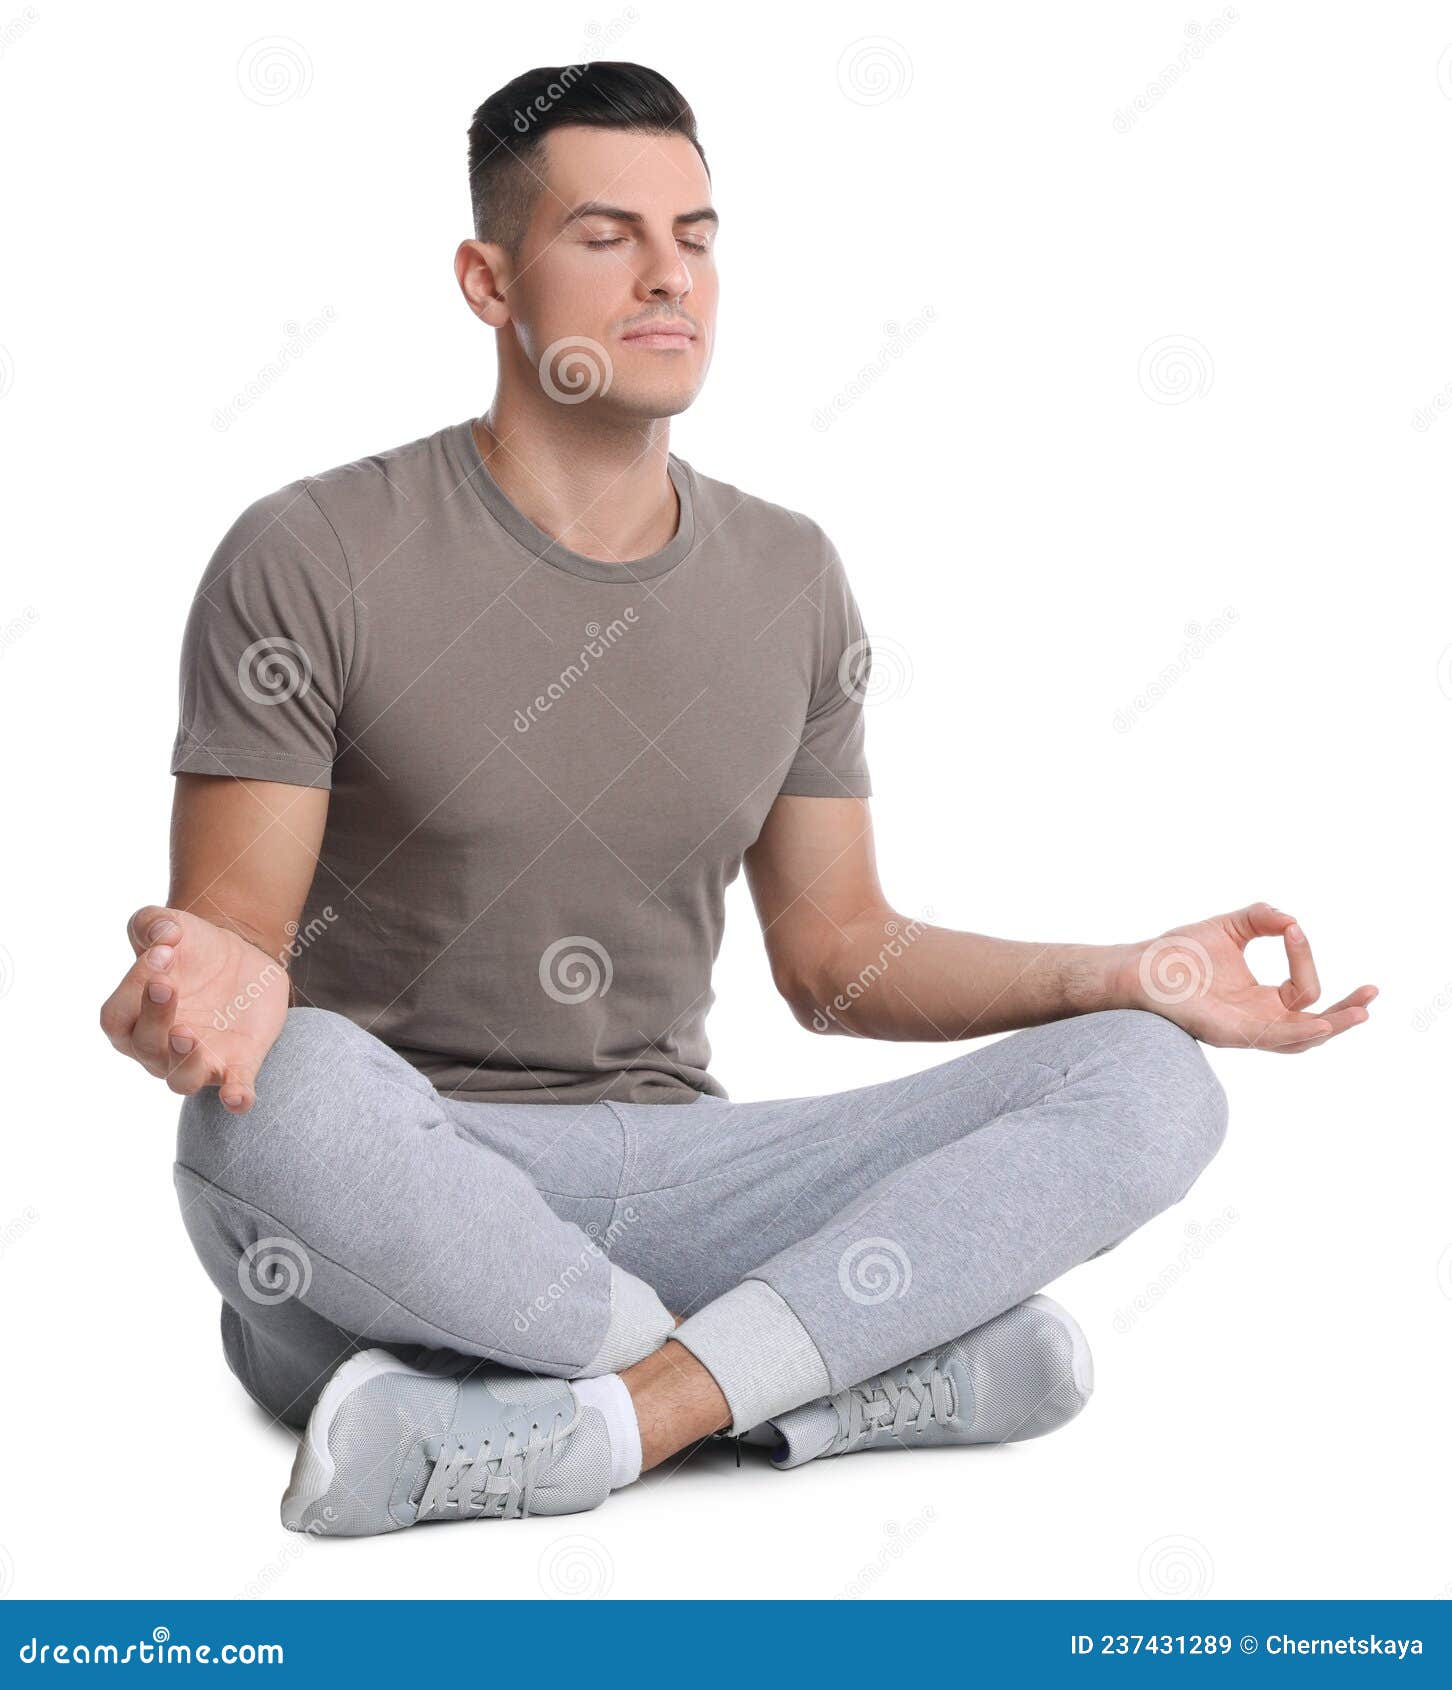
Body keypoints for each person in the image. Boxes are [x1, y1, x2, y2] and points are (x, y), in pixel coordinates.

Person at [99, 63, 1375, 1535]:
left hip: (693, 1171)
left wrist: (1127, 974)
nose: (667, 276)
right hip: (425, 1185)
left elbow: (836, 957)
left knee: (1151, 1077)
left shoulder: (789, 575)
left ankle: (612, 1412)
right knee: (271, 1120)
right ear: (486, 277)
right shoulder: (312, 552)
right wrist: (204, 990)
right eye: (604, 235)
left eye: (696, 235)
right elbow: (238, 943)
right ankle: (829, 1370)